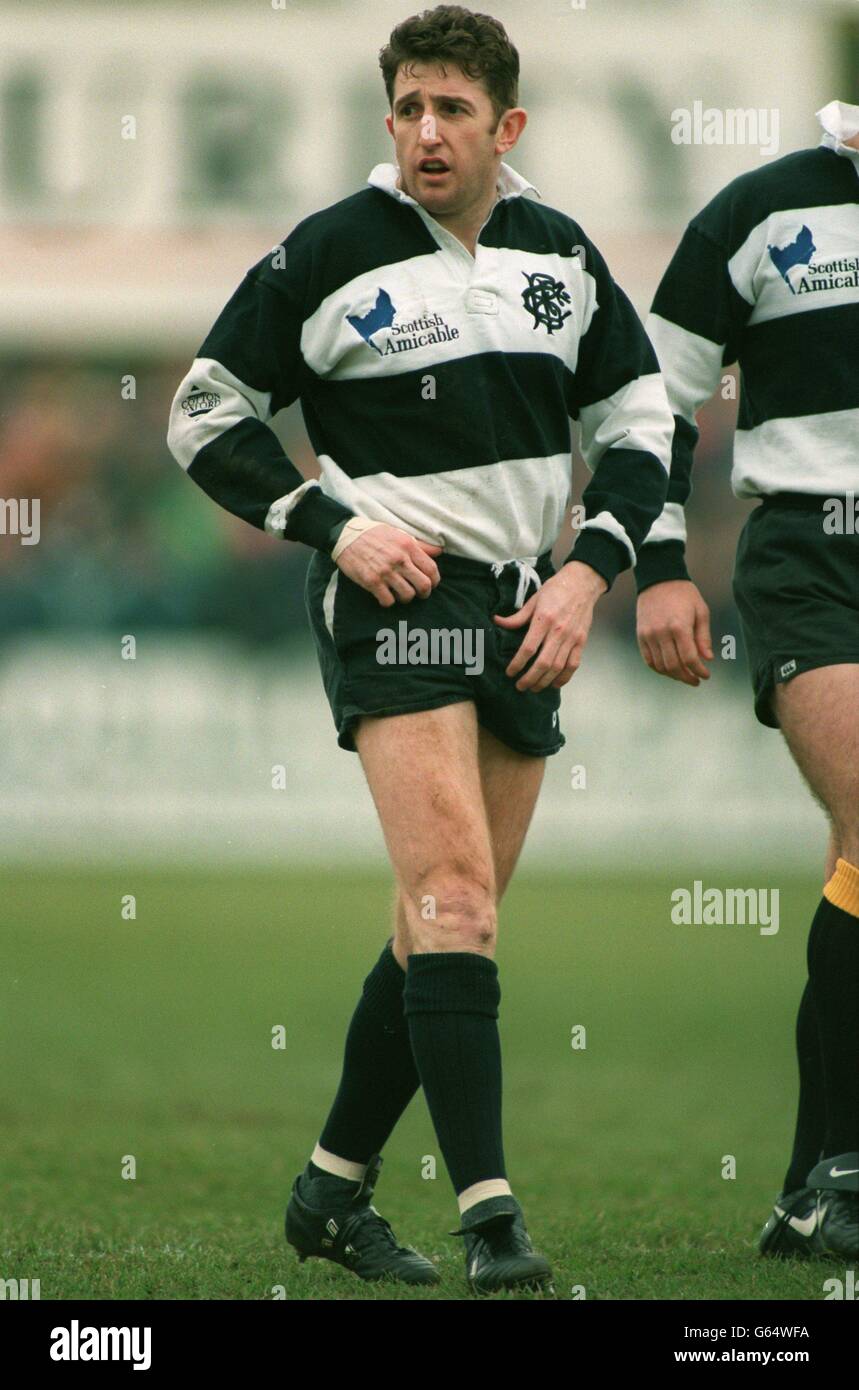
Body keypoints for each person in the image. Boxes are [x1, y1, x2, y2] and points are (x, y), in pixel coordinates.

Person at [168, 4, 673, 1293]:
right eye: (406, 107)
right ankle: (494, 1218)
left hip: (526, 608)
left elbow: (638, 418)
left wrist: (586, 574)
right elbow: (203, 413)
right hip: (395, 597)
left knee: (444, 928)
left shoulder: (560, 250)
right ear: (385, 117)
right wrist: (332, 526)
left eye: (451, 110)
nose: (425, 133)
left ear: (506, 126)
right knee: (452, 900)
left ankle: (330, 1192)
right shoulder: (328, 250)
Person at [635, 99, 859, 1261]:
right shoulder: (762, 210)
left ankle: (805, 1186)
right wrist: (661, 561)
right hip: (813, 554)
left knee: (856, 864)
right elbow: (651, 398)